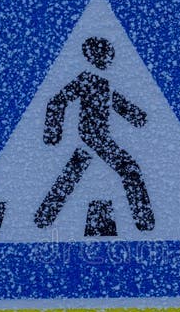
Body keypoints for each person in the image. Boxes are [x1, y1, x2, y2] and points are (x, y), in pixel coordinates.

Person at [35, 36, 155, 231]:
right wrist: (52, 135)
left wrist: (138, 117)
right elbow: (57, 101)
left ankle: (43, 218)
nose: (110, 59)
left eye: (110, 55)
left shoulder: (100, 81)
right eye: (107, 55)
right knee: (130, 170)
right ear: (96, 57)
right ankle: (145, 223)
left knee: (72, 174)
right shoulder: (86, 79)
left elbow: (115, 102)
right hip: (92, 136)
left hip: (95, 137)